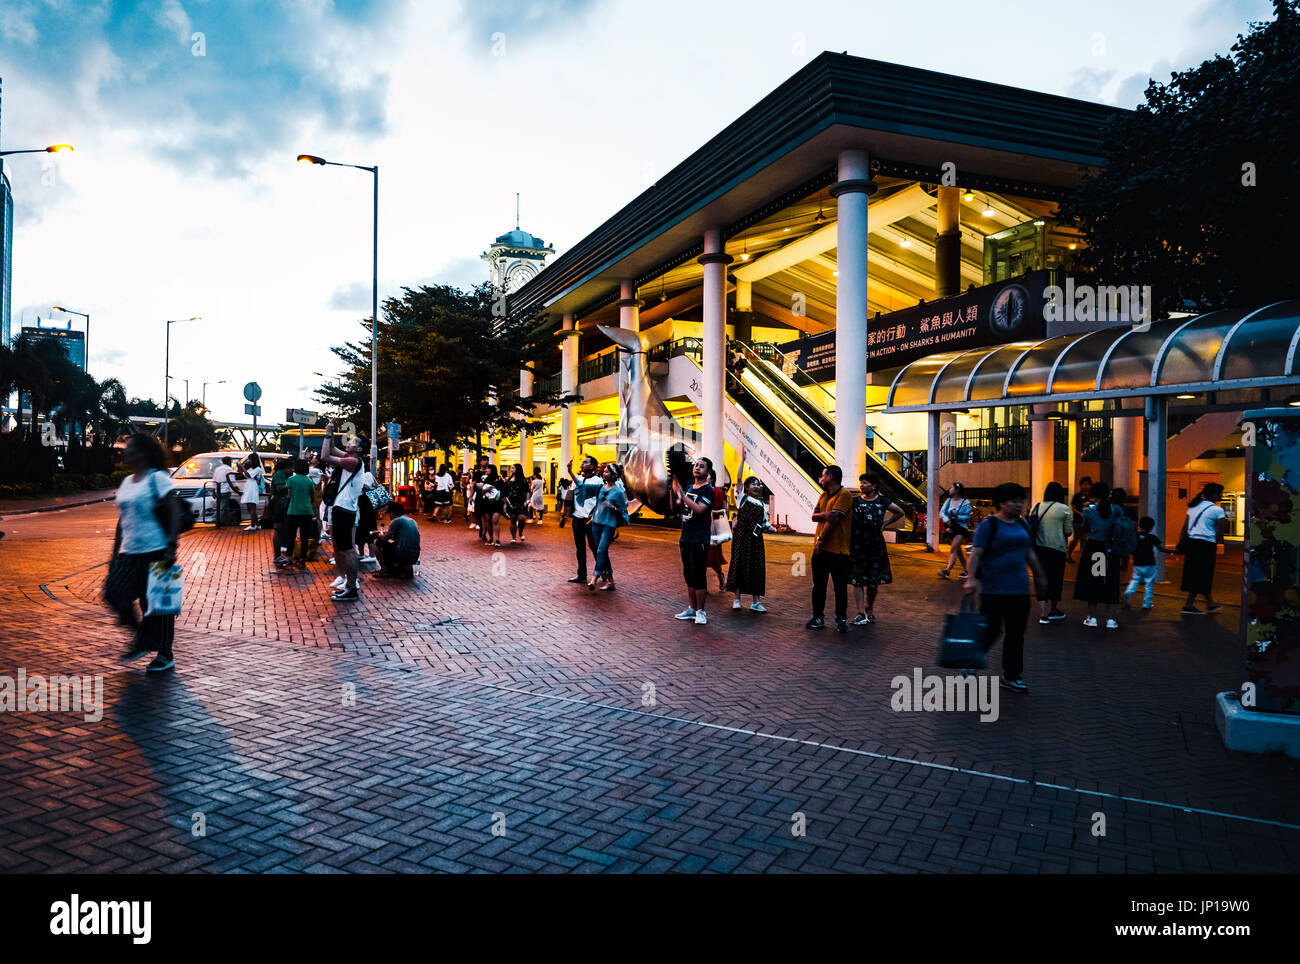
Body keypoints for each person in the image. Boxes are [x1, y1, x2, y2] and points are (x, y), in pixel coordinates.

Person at [105, 433, 180, 673]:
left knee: (158, 605)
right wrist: (114, 553)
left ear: (143, 453)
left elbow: (175, 512)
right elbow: (122, 520)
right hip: (128, 552)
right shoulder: (127, 481)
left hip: (156, 551)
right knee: (114, 592)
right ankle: (141, 636)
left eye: (130, 448)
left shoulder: (157, 478)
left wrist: (171, 546)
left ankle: (165, 655)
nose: (125, 452)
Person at [963, 481, 1046, 694]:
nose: (1019, 504)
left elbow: (1029, 553)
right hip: (993, 589)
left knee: (1015, 634)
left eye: (1021, 500)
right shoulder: (989, 525)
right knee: (991, 631)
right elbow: (977, 553)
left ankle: (1011, 676)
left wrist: (1039, 575)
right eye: (1013, 500)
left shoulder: (1023, 525)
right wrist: (971, 579)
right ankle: (972, 659)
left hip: (1019, 589)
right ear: (1001, 502)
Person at [849, 472, 905, 626]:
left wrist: (885, 523)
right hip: (858, 544)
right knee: (858, 580)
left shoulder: (882, 501)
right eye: (861, 482)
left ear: (874, 486)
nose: (862, 485)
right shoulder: (854, 502)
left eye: (865, 483)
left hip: (875, 546)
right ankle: (860, 612)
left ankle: (869, 608)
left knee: (873, 582)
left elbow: (900, 512)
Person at [320, 421, 366, 601]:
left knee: (348, 550)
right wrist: (329, 432)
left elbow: (325, 455)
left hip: (345, 509)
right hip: (343, 508)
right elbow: (331, 448)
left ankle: (352, 588)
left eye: (354, 442)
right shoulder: (351, 458)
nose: (349, 443)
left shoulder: (353, 461)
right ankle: (349, 585)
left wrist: (329, 431)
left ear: (359, 450)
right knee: (343, 548)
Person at [807, 464, 854, 632]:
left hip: (838, 551)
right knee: (818, 585)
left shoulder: (845, 495)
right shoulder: (823, 495)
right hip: (821, 551)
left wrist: (821, 539)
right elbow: (814, 516)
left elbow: (834, 519)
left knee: (839, 587)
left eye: (823, 475)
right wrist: (825, 515)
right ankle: (817, 616)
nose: (821, 479)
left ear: (831, 477)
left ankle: (841, 619)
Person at [1073, 480, 1122, 629]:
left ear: (1094, 495)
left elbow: (1083, 528)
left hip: (1095, 549)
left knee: (1095, 581)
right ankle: (1110, 619)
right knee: (1111, 581)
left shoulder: (1089, 511)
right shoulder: (1116, 510)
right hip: (1111, 549)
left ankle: (1092, 617)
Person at [673, 456, 716, 625]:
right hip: (686, 537)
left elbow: (699, 509)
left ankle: (701, 611)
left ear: (708, 472)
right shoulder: (691, 487)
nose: (697, 468)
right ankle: (691, 608)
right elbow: (683, 506)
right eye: (696, 465)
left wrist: (683, 497)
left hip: (699, 539)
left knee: (698, 575)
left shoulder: (708, 490)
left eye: (702, 466)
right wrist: (678, 499)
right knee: (689, 575)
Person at [726, 477, 775, 611]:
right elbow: (739, 480)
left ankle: (756, 602)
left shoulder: (761, 504)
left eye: (758, 484)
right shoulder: (742, 499)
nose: (756, 486)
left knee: (757, 568)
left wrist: (770, 528)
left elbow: (765, 522)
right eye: (753, 484)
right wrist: (742, 460)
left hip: (756, 540)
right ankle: (737, 598)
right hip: (741, 538)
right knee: (738, 565)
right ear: (746, 488)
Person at [1028, 481, 1072, 624]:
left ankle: (1043, 614)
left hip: (1039, 549)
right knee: (1056, 580)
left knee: (1041, 579)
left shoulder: (1037, 506)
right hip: (1057, 549)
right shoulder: (1064, 509)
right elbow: (1068, 531)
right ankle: (1054, 610)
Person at [1180, 482, 1227, 615]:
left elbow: (1185, 528)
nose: (1221, 495)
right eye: (1220, 493)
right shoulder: (1218, 510)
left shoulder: (1193, 507)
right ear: (1214, 494)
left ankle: (1200, 604)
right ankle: (1202, 604)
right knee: (1204, 574)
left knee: (1196, 574)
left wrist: (1181, 544)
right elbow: (1219, 531)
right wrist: (1215, 545)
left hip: (1192, 543)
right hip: (1206, 545)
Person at [590, 462, 628, 591]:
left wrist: (613, 507)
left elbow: (624, 510)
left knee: (601, 550)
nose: (604, 474)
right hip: (596, 522)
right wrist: (592, 512)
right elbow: (598, 503)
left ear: (614, 475)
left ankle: (594, 577)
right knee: (602, 552)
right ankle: (611, 581)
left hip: (608, 524)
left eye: (606, 472)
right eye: (604, 471)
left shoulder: (618, 492)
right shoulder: (602, 488)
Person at [567, 455, 602, 584]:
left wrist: (595, 513)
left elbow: (601, 500)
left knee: (594, 546)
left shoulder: (598, 481)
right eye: (582, 462)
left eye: (585, 462)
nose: (582, 464)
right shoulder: (579, 478)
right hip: (577, 518)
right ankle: (581, 575)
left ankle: (602, 572)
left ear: (592, 466)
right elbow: (572, 496)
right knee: (579, 548)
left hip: (591, 519)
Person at [1125, 516, 1170, 610]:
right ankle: (1147, 603)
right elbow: (1161, 549)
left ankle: (1129, 591)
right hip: (1150, 563)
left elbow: (1129, 548)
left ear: (1139, 525)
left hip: (1137, 563)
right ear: (1151, 527)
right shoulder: (1152, 537)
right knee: (1149, 584)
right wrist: (1171, 551)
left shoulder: (1134, 536)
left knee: (1135, 580)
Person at [282, 459, 316, 569]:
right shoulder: (309, 481)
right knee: (304, 536)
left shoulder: (291, 480)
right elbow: (312, 498)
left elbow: (288, 496)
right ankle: (302, 560)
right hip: (307, 511)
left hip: (293, 510)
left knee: (291, 536)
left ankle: (288, 558)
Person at [373, 501, 421, 578]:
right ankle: (405, 568)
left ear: (392, 513)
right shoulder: (412, 521)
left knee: (377, 542)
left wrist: (378, 534)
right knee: (392, 545)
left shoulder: (396, 521)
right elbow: (399, 536)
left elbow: (385, 538)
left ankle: (384, 570)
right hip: (415, 555)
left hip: (402, 554)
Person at [936, 482, 972, 579]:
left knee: (953, 549)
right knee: (958, 551)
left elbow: (967, 517)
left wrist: (957, 516)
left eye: (951, 487)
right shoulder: (948, 501)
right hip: (952, 528)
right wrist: (947, 521)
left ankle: (947, 571)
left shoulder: (966, 503)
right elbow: (942, 512)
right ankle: (968, 571)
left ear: (957, 490)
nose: (949, 489)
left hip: (961, 529)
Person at [706, 468, 728, 593]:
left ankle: (720, 575)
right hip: (701, 528)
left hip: (713, 530)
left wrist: (712, 513)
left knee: (714, 559)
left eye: (707, 475)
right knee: (700, 558)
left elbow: (725, 511)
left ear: (712, 478)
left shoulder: (719, 492)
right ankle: (702, 586)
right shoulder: (698, 490)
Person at [270, 458, 293, 565]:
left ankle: (278, 554)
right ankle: (277, 555)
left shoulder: (281, 474)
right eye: (291, 468)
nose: (292, 470)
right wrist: (289, 486)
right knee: (278, 529)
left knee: (281, 530)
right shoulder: (279, 475)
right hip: (279, 504)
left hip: (281, 504)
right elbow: (279, 488)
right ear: (286, 468)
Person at [1067, 476, 1094, 562]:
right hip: (1078, 521)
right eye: (1083, 484)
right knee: (1076, 538)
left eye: (1087, 484)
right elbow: (1073, 507)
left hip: (1089, 522)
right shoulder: (1077, 496)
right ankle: (1068, 554)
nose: (1085, 486)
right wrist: (1082, 514)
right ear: (1080, 485)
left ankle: (1083, 557)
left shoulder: (1092, 496)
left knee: (1085, 540)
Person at [504, 464, 530, 543]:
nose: (511, 469)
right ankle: (513, 538)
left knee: (521, 519)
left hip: (521, 502)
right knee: (513, 520)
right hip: (511, 502)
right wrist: (506, 501)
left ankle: (520, 532)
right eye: (511, 468)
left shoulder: (523, 480)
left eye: (513, 468)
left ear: (518, 469)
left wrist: (527, 501)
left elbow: (527, 491)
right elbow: (506, 491)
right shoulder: (509, 480)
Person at [239, 454, 265, 531]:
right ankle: (257, 524)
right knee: (249, 507)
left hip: (253, 487)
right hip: (249, 487)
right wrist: (240, 467)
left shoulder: (258, 469)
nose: (249, 461)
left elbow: (249, 475)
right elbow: (242, 475)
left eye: (250, 459)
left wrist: (242, 467)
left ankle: (253, 525)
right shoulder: (251, 468)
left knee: (252, 506)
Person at [211, 456, 237, 526]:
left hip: (217, 490)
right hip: (225, 490)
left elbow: (214, 480)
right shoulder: (229, 469)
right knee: (223, 508)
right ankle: (219, 522)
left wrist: (213, 490)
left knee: (222, 507)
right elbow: (232, 481)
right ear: (229, 462)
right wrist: (236, 488)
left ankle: (227, 522)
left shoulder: (217, 469)